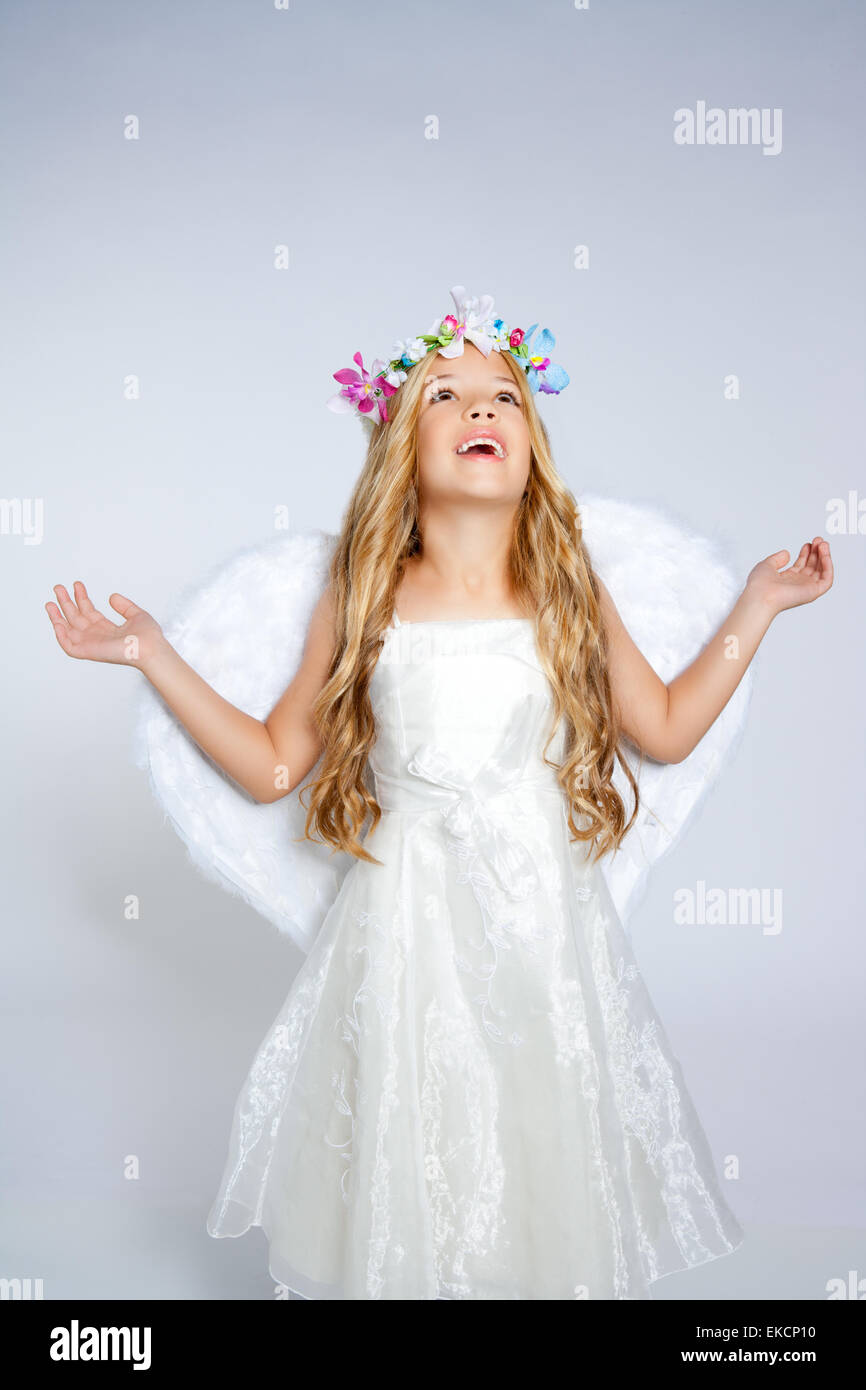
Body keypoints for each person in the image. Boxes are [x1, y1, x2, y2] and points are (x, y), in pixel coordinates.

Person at [45, 286, 834, 1300]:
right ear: (400, 446)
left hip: (539, 922)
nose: (479, 411)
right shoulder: (361, 592)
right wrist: (154, 654)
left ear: (530, 443)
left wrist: (758, 603)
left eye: (502, 397)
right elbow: (274, 766)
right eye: (447, 396)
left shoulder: (568, 590)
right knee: (416, 1128)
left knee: (533, 1127)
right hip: (405, 922)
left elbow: (668, 729)